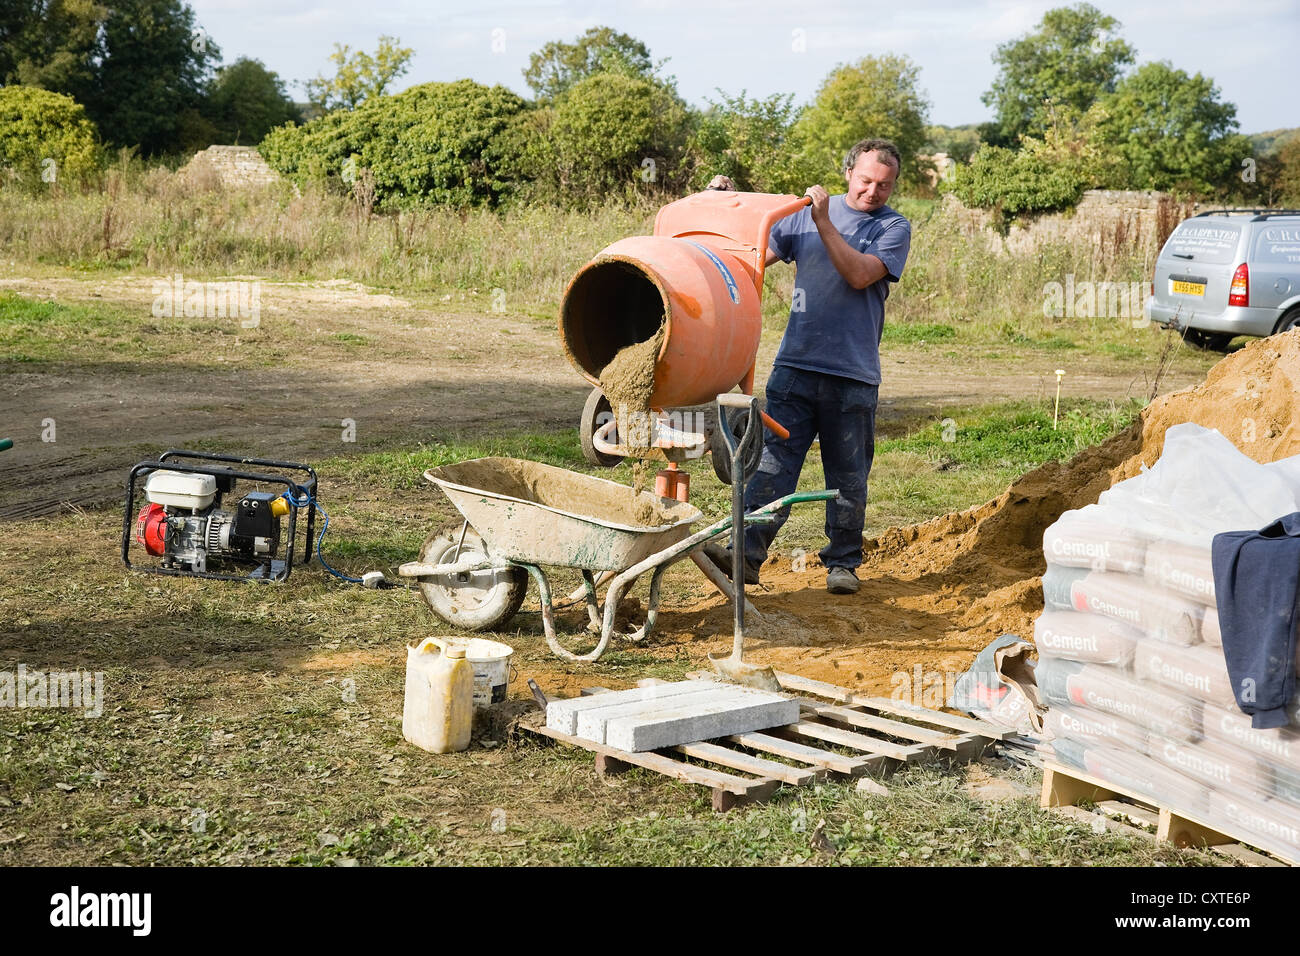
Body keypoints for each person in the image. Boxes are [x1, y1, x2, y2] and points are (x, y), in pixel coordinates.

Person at [703, 138, 912, 594]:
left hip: (852, 375)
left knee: (848, 475)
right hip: (795, 367)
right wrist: (720, 205)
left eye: (884, 184)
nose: (873, 192)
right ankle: (746, 557)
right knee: (771, 467)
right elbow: (748, 260)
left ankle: (843, 565)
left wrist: (822, 221)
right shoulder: (802, 213)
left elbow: (858, 274)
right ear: (848, 173)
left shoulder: (893, 227)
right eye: (865, 180)